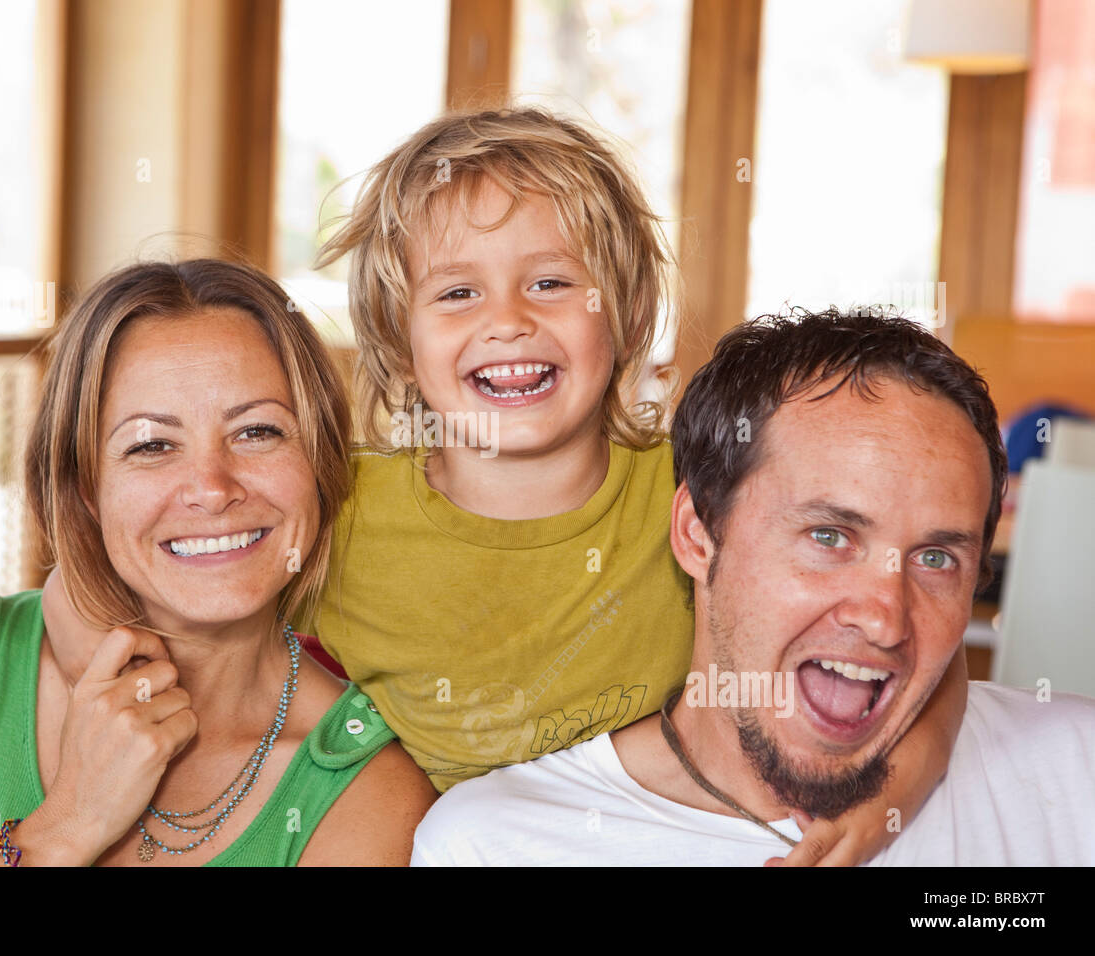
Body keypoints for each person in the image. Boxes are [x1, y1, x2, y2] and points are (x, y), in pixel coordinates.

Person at [42, 108, 965, 864]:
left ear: (627, 318)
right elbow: (98, 591)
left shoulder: (693, 491)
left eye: (553, 282)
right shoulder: (342, 513)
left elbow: (897, 633)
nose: (509, 322)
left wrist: (900, 785)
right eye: (456, 295)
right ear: (399, 345)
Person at [0, 259, 436, 867]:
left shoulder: (367, 791)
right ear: (85, 490)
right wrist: (64, 826)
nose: (212, 488)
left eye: (257, 432)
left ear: (320, 466)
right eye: (153, 444)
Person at [410, 309, 1095, 866]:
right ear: (697, 534)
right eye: (829, 537)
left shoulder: (1076, 769)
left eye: (936, 559)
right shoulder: (496, 847)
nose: (886, 619)